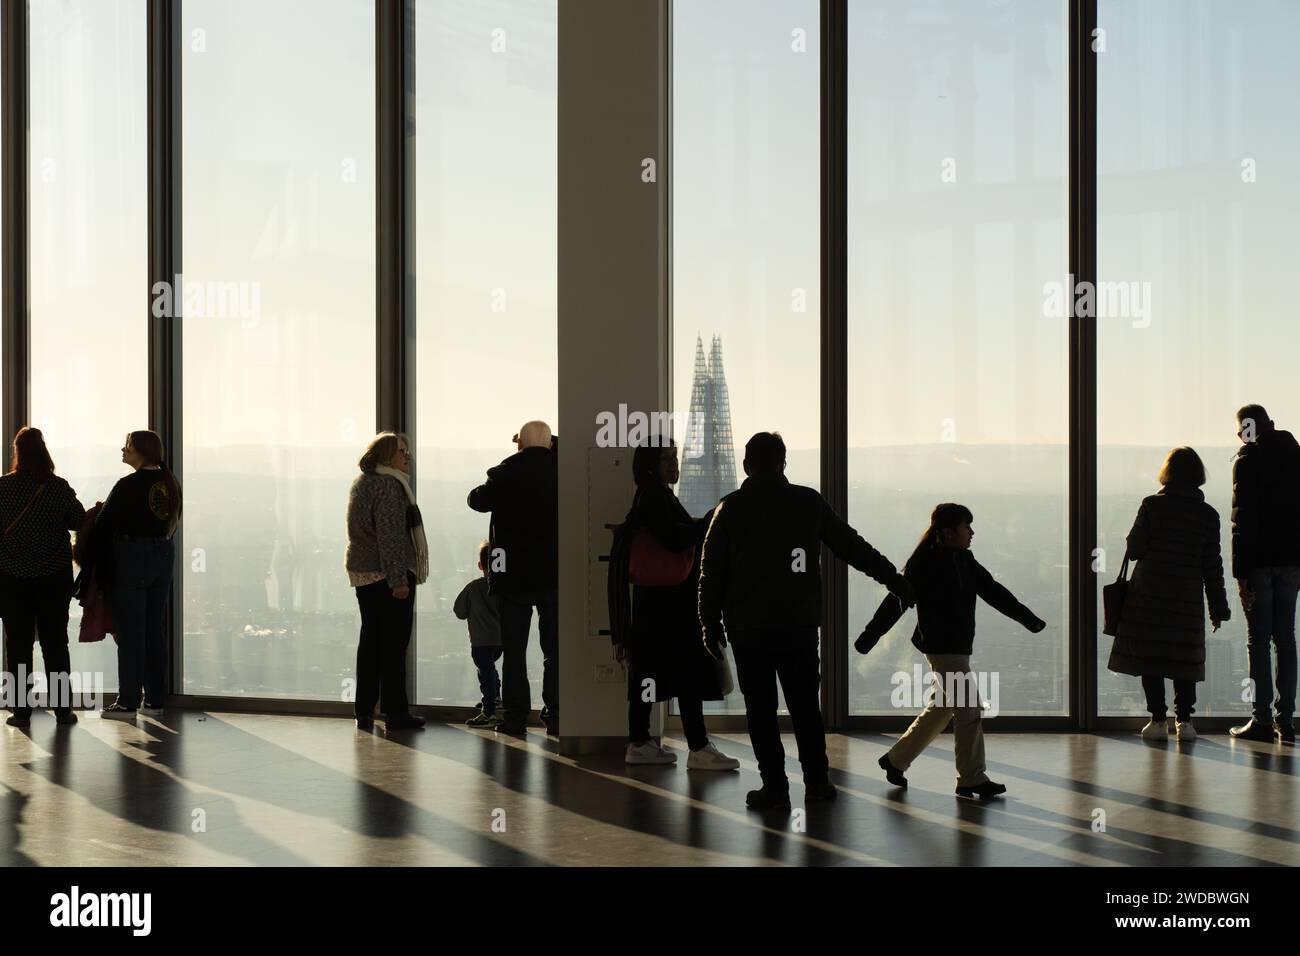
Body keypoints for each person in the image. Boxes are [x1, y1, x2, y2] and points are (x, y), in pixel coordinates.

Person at [699, 432, 912, 809]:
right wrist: (894, 581)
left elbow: (711, 572)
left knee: (760, 711)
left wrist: (708, 624)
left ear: (747, 465)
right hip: (797, 624)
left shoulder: (729, 508)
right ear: (783, 463)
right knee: (805, 708)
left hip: (748, 629)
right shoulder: (806, 502)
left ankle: (775, 789)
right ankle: (816, 782)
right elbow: (852, 546)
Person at [858, 502, 1046, 799]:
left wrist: (1028, 618)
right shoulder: (925, 566)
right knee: (969, 709)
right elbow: (895, 603)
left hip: (956, 647)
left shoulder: (964, 561)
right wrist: (870, 636)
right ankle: (971, 778)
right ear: (947, 533)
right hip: (943, 649)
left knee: (943, 708)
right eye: (966, 527)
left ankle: (895, 760)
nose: (971, 532)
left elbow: (995, 592)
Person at [619, 442, 738, 769]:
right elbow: (675, 538)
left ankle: (640, 742)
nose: (675, 463)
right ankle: (697, 747)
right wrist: (710, 521)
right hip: (669, 605)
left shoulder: (649, 494)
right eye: (667, 458)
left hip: (653, 604)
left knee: (649, 673)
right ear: (650, 463)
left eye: (674, 457)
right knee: (687, 673)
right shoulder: (656, 497)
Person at [1107, 447, 1229, 741]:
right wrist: (1218, 608)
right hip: (1186, 597)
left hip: (1148, 595)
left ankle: (1158, 719)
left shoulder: (1151, 505)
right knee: (1182, 659)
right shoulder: (1208, 515)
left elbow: (1135, 549)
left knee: (1152, 656)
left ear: (1167, 473)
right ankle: (1184, 722)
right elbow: (1213, 565)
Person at [468, 420, 558, 737]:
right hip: (552, 575)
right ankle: (557, 715)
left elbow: (476, 500)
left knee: (515, 652)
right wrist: (544, 444)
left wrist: (521, 451)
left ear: (520, 444)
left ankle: (516, 718)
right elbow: (547, 447)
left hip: (513, 577)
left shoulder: (505, 474)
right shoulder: (560, 470)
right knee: (554, 651)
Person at [0, 427, 86, 726]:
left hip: (13, 579)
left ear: (18, 453)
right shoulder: (57, 487)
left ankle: (20, 711)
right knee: (55, 643)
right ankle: (63, 710)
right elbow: (78, 521)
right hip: (53, 577)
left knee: (18, 645)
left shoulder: (3, 488)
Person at [345, 432, 429, 732]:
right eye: (402, 451)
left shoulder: (363, 483)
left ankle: (364, 710)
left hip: (364, 574)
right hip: (387, 575)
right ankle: (395, 712)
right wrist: (398, 580)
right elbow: (391, 537)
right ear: (386, 456)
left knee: (371, 642)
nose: (408, 457)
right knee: (394, 644)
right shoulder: (389, 486)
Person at [96, 430, 181, 720]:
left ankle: (128, 702)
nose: (123, 450)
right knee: (154, 631)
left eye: (128, 446)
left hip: (132, 559)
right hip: (162, 557)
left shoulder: (127, 485)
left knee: (131, 633)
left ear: (141, 452)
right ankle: (155, 700)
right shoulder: (170, 484)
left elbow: (103, 525)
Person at [1229, 404, 1300, 743]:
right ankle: (1285, 721)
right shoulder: (1296, 456)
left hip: (1259, 564)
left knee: (1258, 642)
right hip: (1292, 564)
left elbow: (1242, 522)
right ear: (1271, 424)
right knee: (1285, 639)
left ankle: (1260, 719)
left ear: (1244, 431)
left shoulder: (1247, 464)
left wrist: (1241, 574)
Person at [454, 540, 503, 727]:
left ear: (480, 565)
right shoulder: (503, 589)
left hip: (481, 640)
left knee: (485, 673)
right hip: (500, 640)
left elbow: (459, 611)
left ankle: (488, 712)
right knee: (491, 669)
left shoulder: (474, 587)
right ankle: (496, 698)